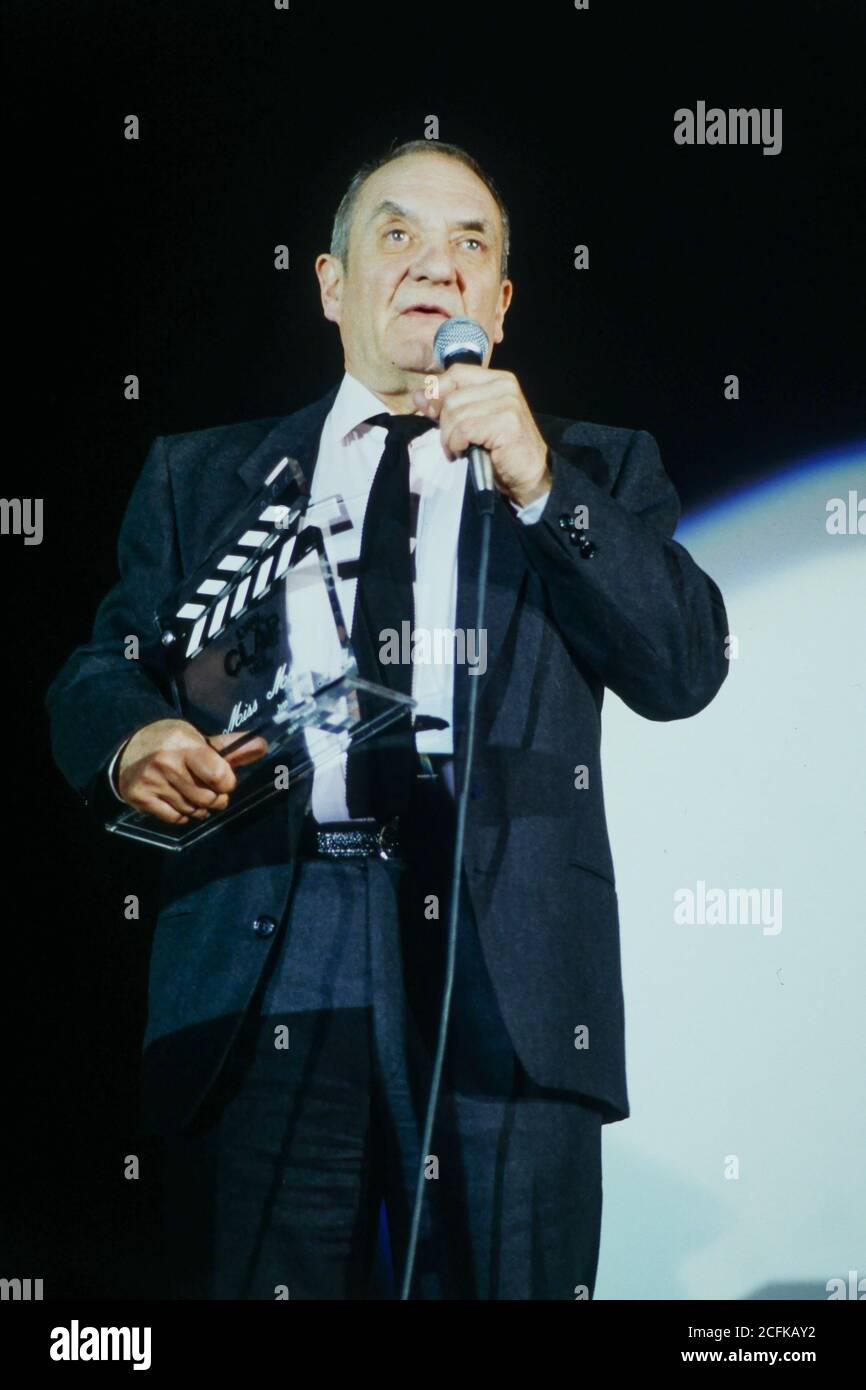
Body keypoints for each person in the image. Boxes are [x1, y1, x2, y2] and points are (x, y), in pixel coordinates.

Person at [45, 137, 730, 1300]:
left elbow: (682, 663)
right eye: (398, 232)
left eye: (471, 244)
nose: (437, 263)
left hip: (505, 970)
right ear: (330, 282)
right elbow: (100, 665)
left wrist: (537, 483)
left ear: (500, 307)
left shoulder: (596, 470)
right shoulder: (199, 476)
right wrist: (134, 739)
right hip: (275, 953)